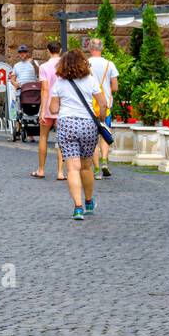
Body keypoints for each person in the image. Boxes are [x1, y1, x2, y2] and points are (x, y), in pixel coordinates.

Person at [48, 49, 102, 222]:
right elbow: (103, 103)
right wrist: (100, 117)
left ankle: (77, 208)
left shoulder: (59, 82)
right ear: (83, 63)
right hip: (87, 125)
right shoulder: (90, 80)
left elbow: (53, 109)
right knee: (86, 167)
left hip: (67, 124)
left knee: (72, 168)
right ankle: (88, 202)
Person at [31, 41, 65, 182]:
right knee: (62, 139)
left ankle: (41, 169)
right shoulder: (65, 65)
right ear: (60, 50)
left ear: (48, 50)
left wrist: (43, 110)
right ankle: (60, 172)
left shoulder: (44, 67)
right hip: (62, 107)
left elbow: (44, 89)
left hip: (49, 106)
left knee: (43, 137)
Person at [87, 39, 118, 180]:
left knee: (92, 139)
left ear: (90, 48)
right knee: (105, 133)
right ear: (102, 48)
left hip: (90, 105)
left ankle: (97, 169)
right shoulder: (109, 64)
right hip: (105, 104)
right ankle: (105, 160)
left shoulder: (86, 64)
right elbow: (115, 87)